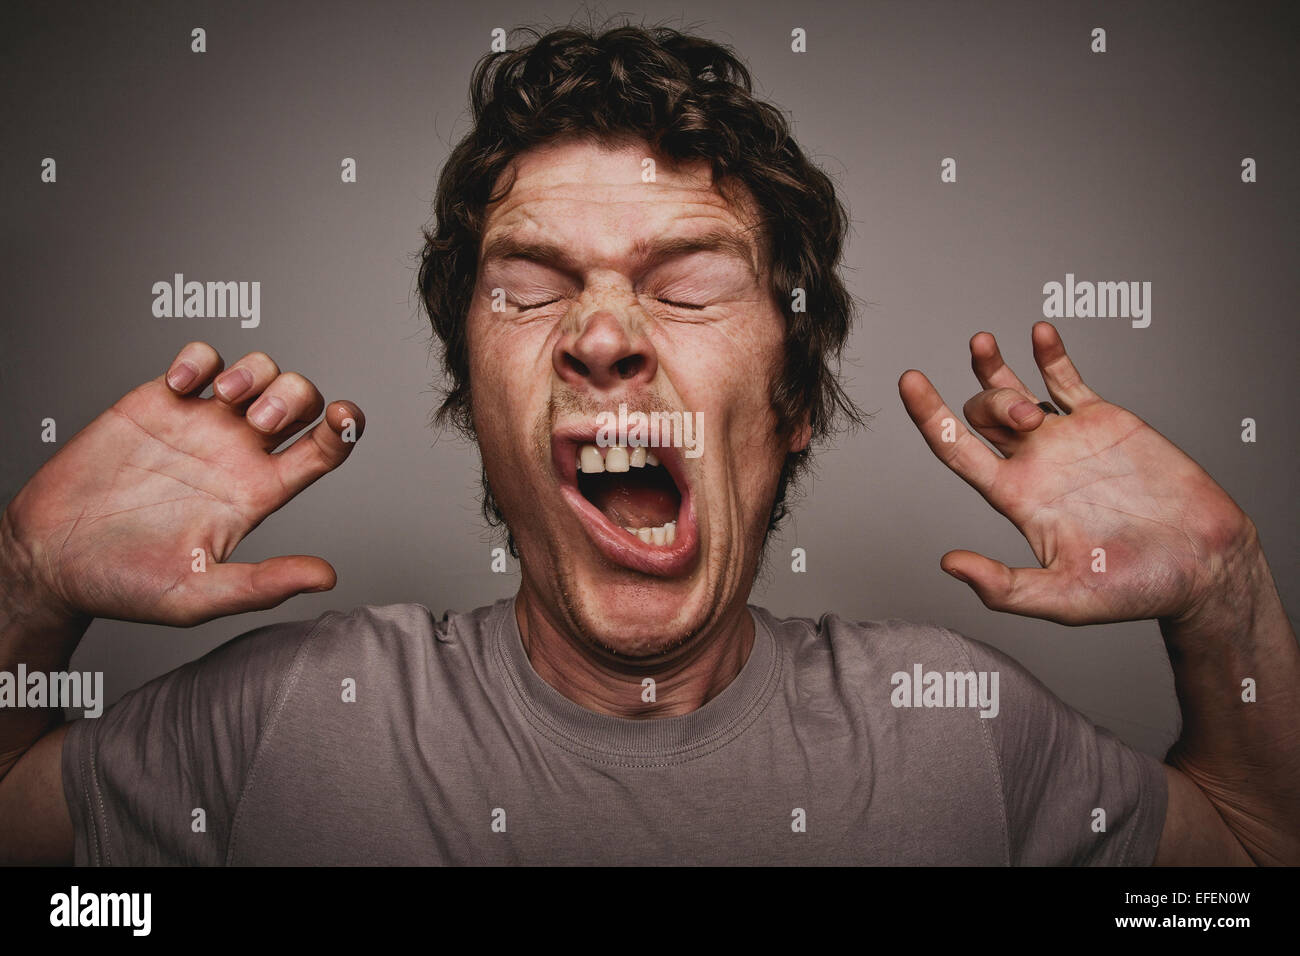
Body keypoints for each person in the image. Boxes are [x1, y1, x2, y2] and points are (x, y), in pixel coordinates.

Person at [0, 25, 1295, 866]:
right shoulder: (286, 722)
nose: (604, 335)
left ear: (791, 408)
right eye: (534, 285)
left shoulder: (954, 731)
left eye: (684, 283)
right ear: (476, 410)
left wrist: (1225, 597)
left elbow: (1251, 856)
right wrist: (27, 583)